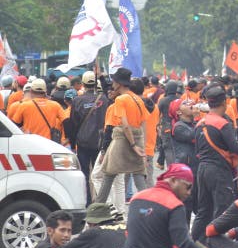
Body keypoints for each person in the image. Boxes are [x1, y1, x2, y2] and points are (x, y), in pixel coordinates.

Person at [191, 85, 238, 242]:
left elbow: (197, 149)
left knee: (203, 211)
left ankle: (195, 244)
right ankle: (216, 244)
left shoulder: (200, 124)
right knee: (222, 210)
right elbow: (235, 148)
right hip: (219, 171)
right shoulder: (222, 124)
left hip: (202, 170)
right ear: (224, 102)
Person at [123, 163, 216, 248]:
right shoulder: (174, 205)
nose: (189, 192)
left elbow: (128, 233)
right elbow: (183, 244)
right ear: (173, 180)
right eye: (188, 187)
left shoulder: (137, 197)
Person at [94, 68, 148, 204]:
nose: (112, 84)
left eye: (113, 81)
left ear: (119, 83)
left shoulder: (121, 99)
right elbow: (143, 125)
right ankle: (148, 206)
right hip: (138, 139)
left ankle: (98, 209)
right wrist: (142, 147)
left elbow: (125, 125)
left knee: (109, 173)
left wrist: (133, 145)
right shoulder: (138, 99)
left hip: (122, 139)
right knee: (139, 175)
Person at [70, 70, 110, 204]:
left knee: (85, 174)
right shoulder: (104, 99)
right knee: (100, 174)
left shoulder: (77, 100)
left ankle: (87, 202)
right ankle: (101, 202)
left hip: (83, 142)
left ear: (82, 83)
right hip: (100, 142)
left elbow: (73, 124)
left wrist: (73, 144)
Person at [57, 203, 126, 248]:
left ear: (92, 223)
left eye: (88, 224)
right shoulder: (126, 228)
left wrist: (52, 247)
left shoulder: (93, 232)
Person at [156, 80, 181, 168]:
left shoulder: (163, 100)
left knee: (168, 149)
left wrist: (157, 126)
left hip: (166, 127)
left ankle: (171, 169)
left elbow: (157, 114)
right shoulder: (179, 100)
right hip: (178, 126)